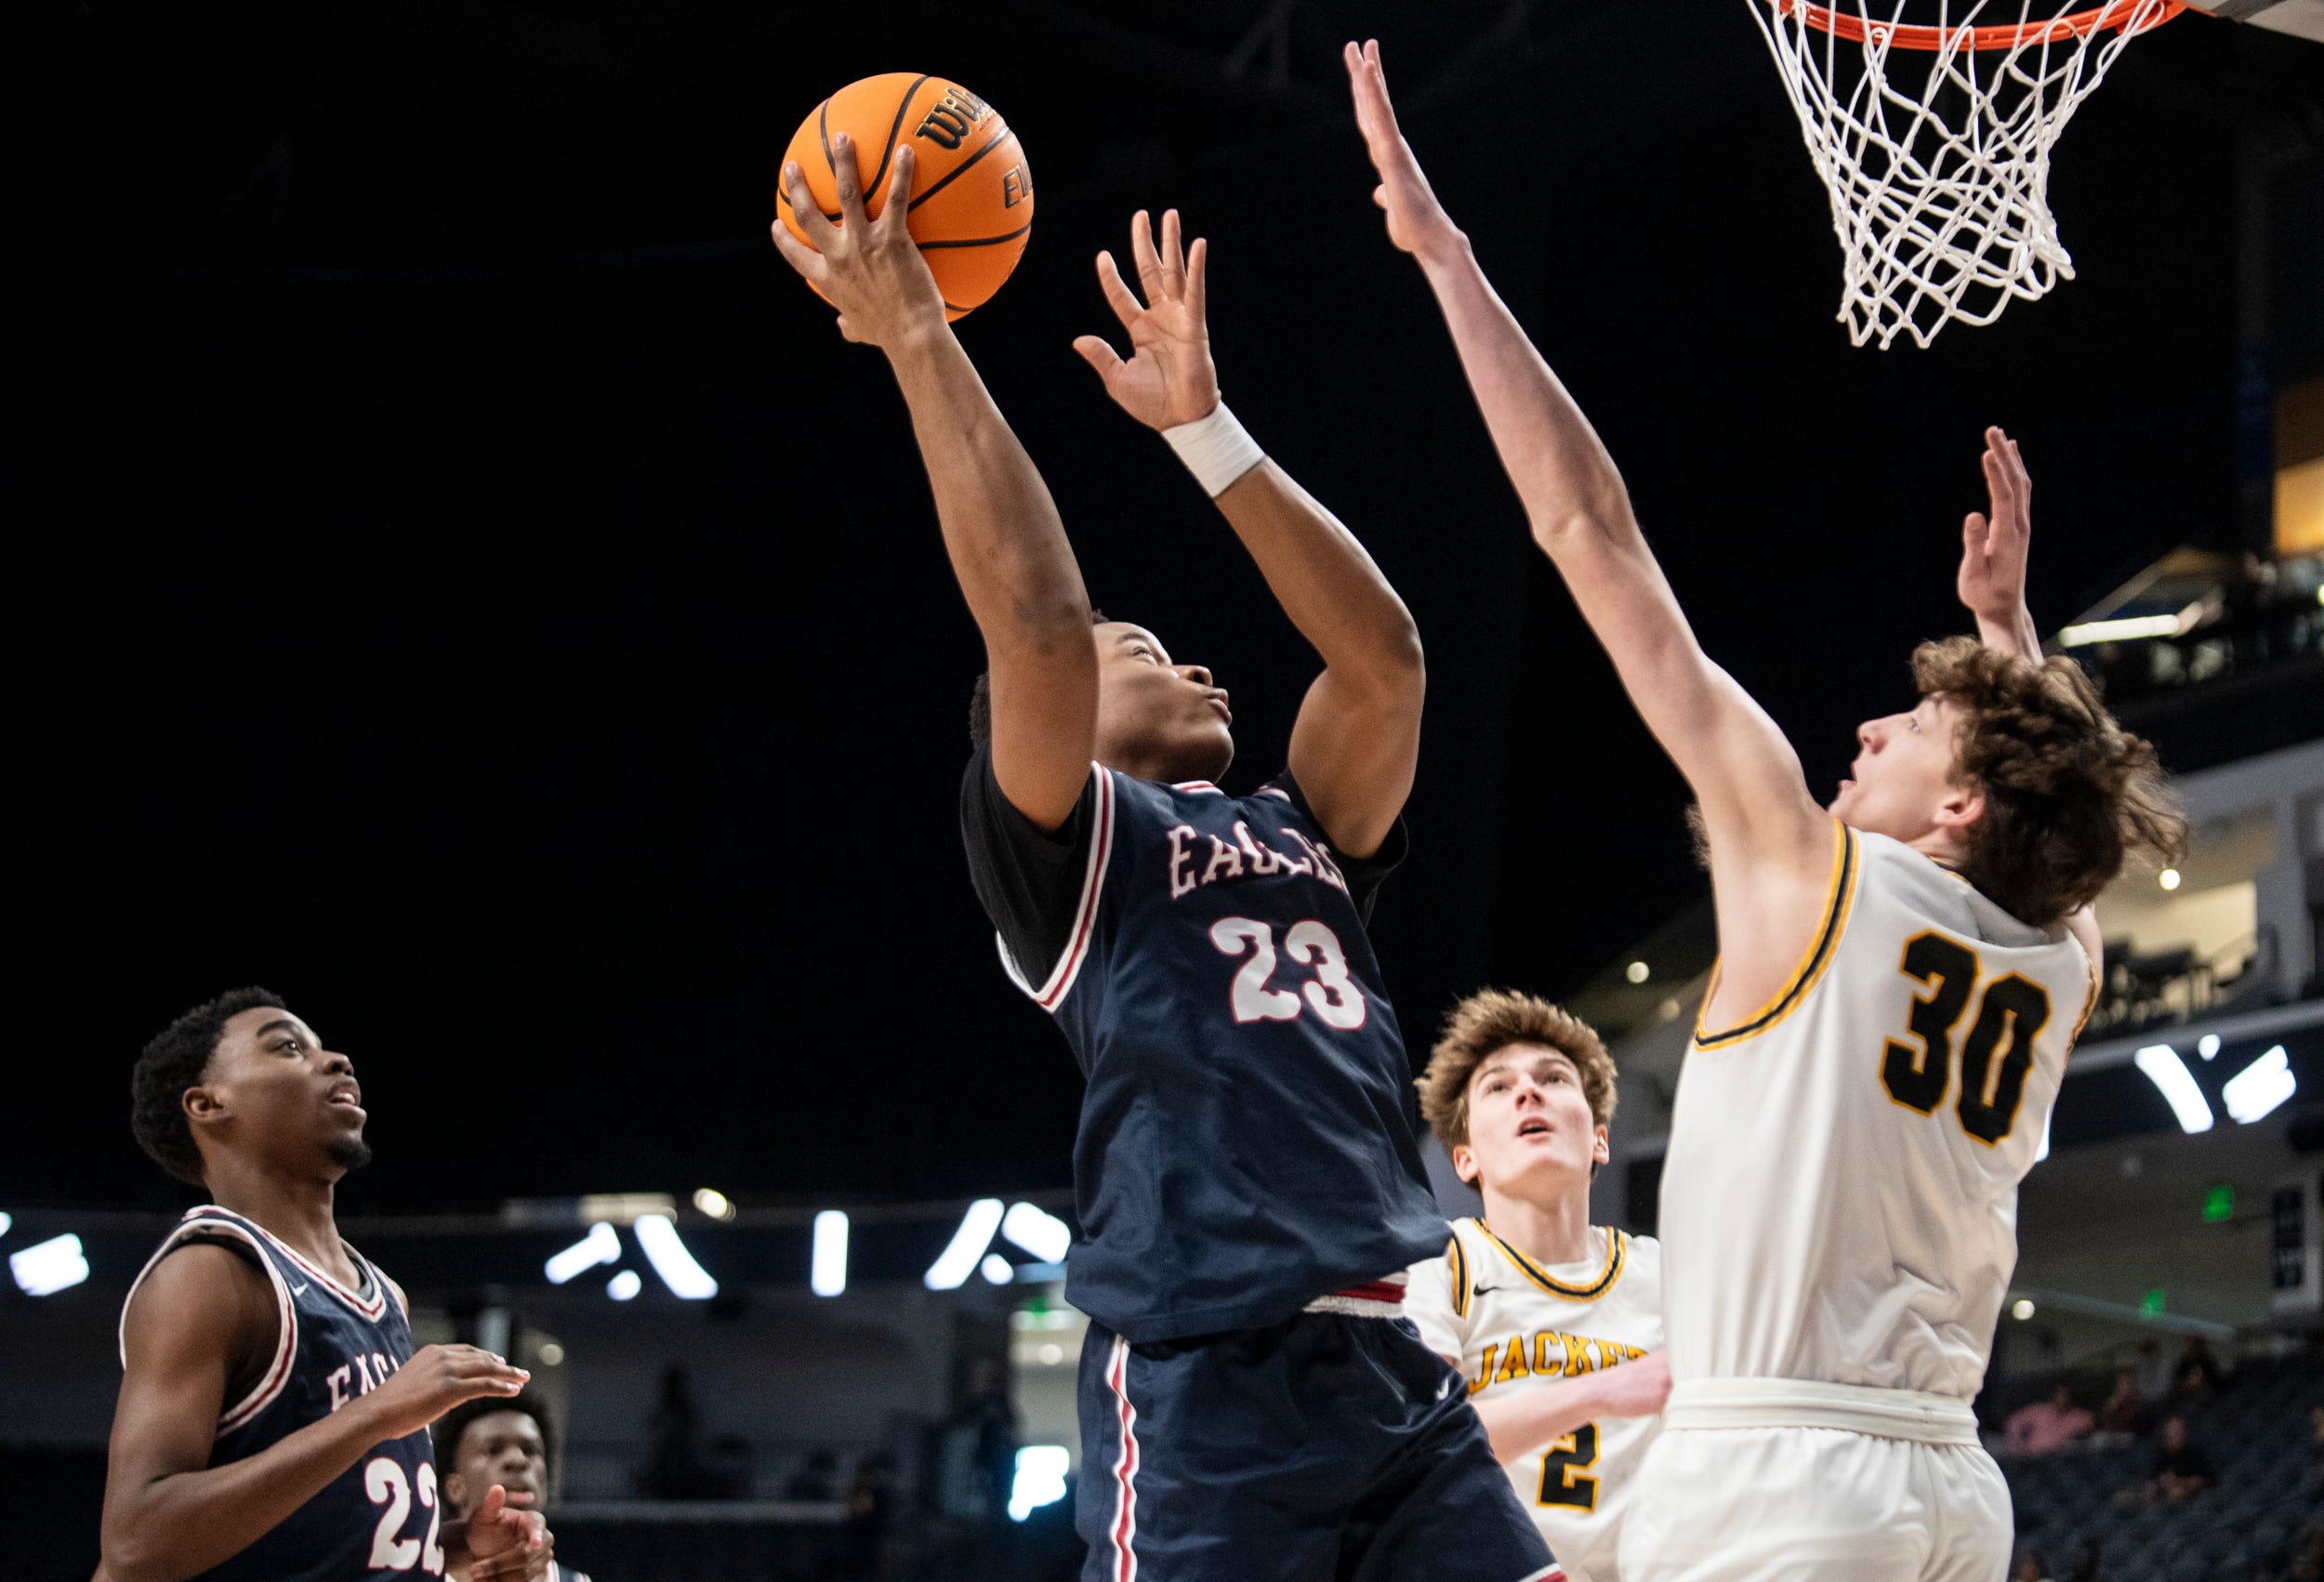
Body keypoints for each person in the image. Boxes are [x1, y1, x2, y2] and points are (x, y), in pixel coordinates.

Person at [1343, 37, 2184, 1582]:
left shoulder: (1817, 876)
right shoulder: (2048, 962)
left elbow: (1589, 532)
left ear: (1963, 802)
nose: (1864, 730)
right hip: (1947, 1485)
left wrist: (1450, 260)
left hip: (1776, 1475)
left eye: (1912, 728)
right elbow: (2053, 824)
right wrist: (2007, 644)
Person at [768, 137, 1552, 1582]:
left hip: (1397, 1363)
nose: (1190, 657)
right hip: (1207, 1370)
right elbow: (1041, 622)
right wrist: (923, 340)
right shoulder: (1067, 848)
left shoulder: (1298, 823)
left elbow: (1384, 660)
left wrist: (1209, 433)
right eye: (1149, 652)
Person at [103, 987, 549, 1581]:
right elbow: (137, 1542)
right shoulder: (211, 1272)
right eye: (288, 1048)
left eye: (323, 1048)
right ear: (207, 1104)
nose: (336, 1060)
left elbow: (324, 1533)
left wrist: (455, 1547)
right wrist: (376, 1415)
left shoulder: (384, 1294)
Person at [1401, 991, 1673, 1582]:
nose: (1529, 1091)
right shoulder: (1443, 1264)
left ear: (1599, 1138)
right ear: (1465, 1159)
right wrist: (1600, 1392)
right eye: (1498, 1087)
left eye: (1554, 1078)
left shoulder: (1665, 1274)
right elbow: (1421, 1451)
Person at [433, 1392, 594, 1581]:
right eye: (493, 1450)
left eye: (530, 1451)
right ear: (455, 1488)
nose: (518, 1460)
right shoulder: (412, 1574)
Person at [2005, 1385, 2094, 1457]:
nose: (2061, 1399)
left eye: (2064, 1396)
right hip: (2030, 1456)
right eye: (2059, 1396)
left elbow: (2089, 1430)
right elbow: (2013, 1422)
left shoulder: (2080, 1417)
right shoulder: (2039, 1411)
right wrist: (2020, 1442)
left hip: (2058, 1458)